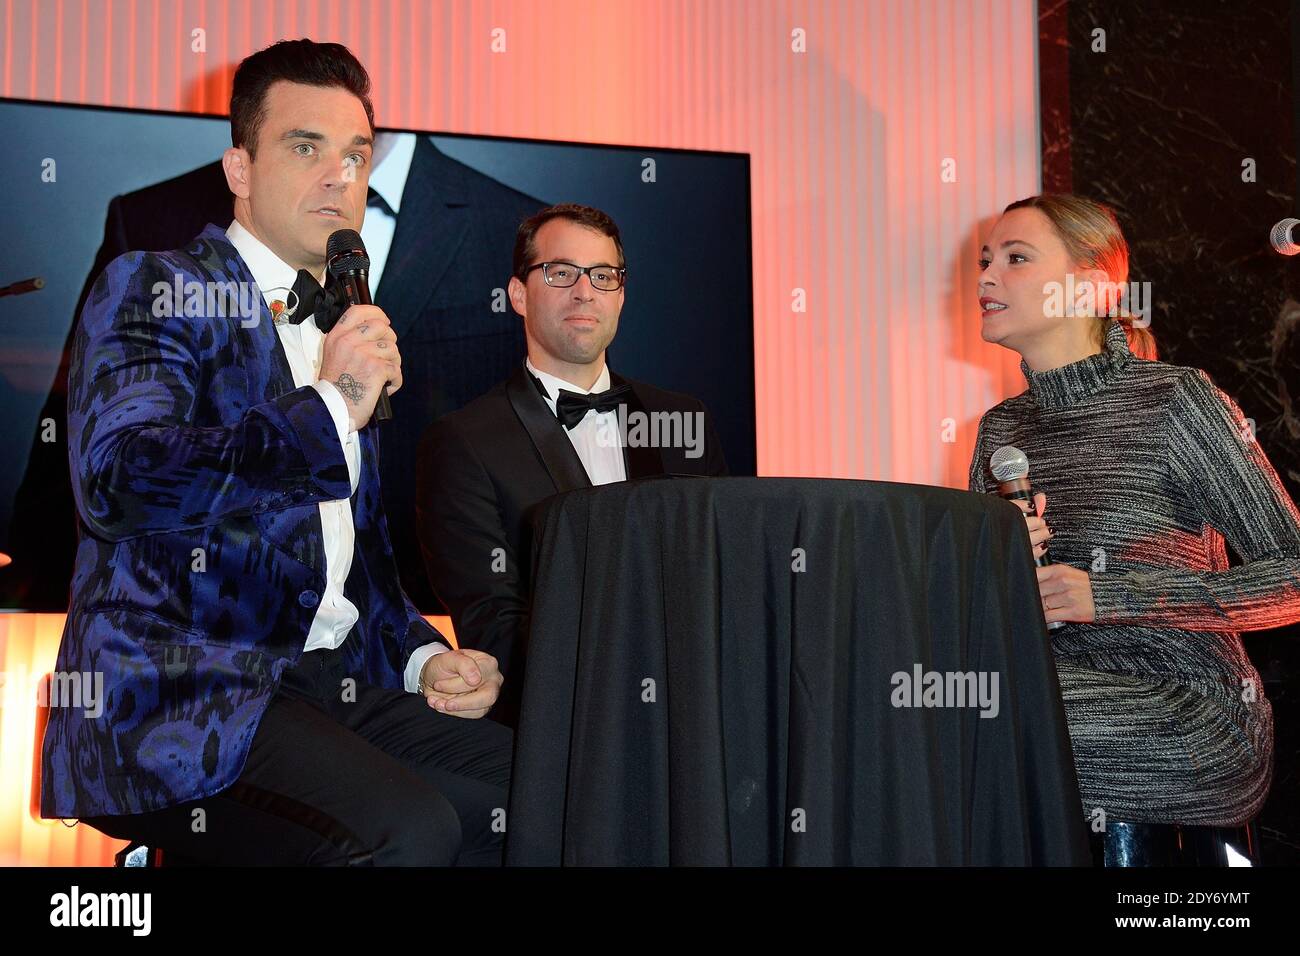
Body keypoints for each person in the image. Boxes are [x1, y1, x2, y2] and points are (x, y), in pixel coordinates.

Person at [40, 39, 512, 866]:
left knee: (550, 797)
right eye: (306, 147)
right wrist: (329, 406)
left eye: (356, 154)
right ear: (240, 168)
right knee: (412, 828)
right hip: (182, 692)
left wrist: (422, 657)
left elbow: (354, 571)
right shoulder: (155, 284)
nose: (341, 177)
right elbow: (119, 479)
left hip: (335, 688)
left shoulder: (345, 327)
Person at [969, 193, 1300, 859]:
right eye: (984, 260)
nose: (984, 277)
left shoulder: (1177, 400)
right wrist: (993, 568)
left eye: (1016, 258)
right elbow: (993, 623)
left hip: (1194, 713)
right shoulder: (1000, 431)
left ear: (1089, 287)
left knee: (981, 710)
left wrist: (1112, 596)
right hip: (1054, 694)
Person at [416, 203, 730, 726]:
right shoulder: (461, 443)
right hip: (566, 724)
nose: (585, 291)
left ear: (622, 295)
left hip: (697, 713)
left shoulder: (686, 419)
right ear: (518, 294)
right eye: (561, 273)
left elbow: (723, 578)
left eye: (603, 276)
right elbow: (494, 624)